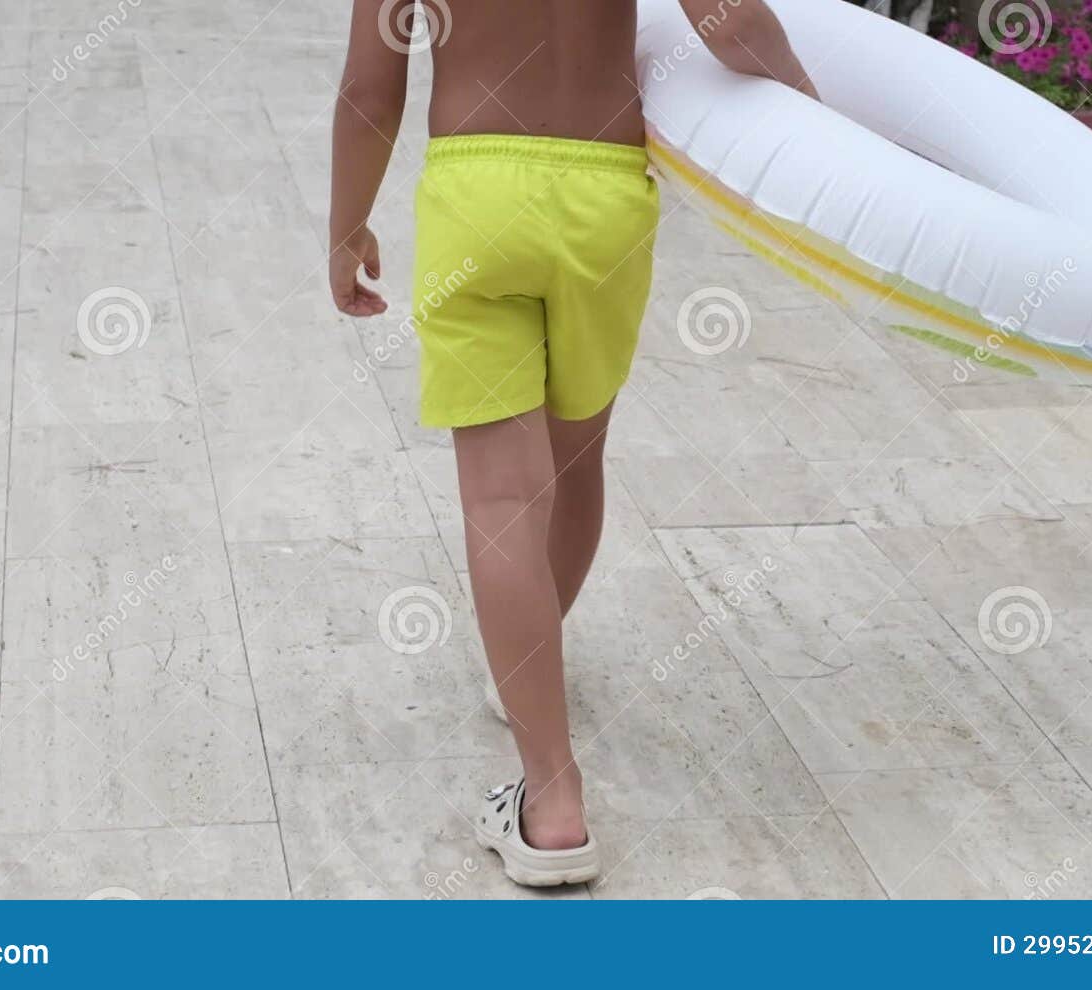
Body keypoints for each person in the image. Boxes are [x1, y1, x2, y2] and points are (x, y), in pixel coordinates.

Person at [328, 0, 816, 887]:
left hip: (477, 196)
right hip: (603, 193)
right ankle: (528, 665)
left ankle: (552, 796)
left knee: (501, 497)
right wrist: (820, 132)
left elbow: (371, 85)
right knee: (576, 457)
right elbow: (734, 20)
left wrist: (345, 227)